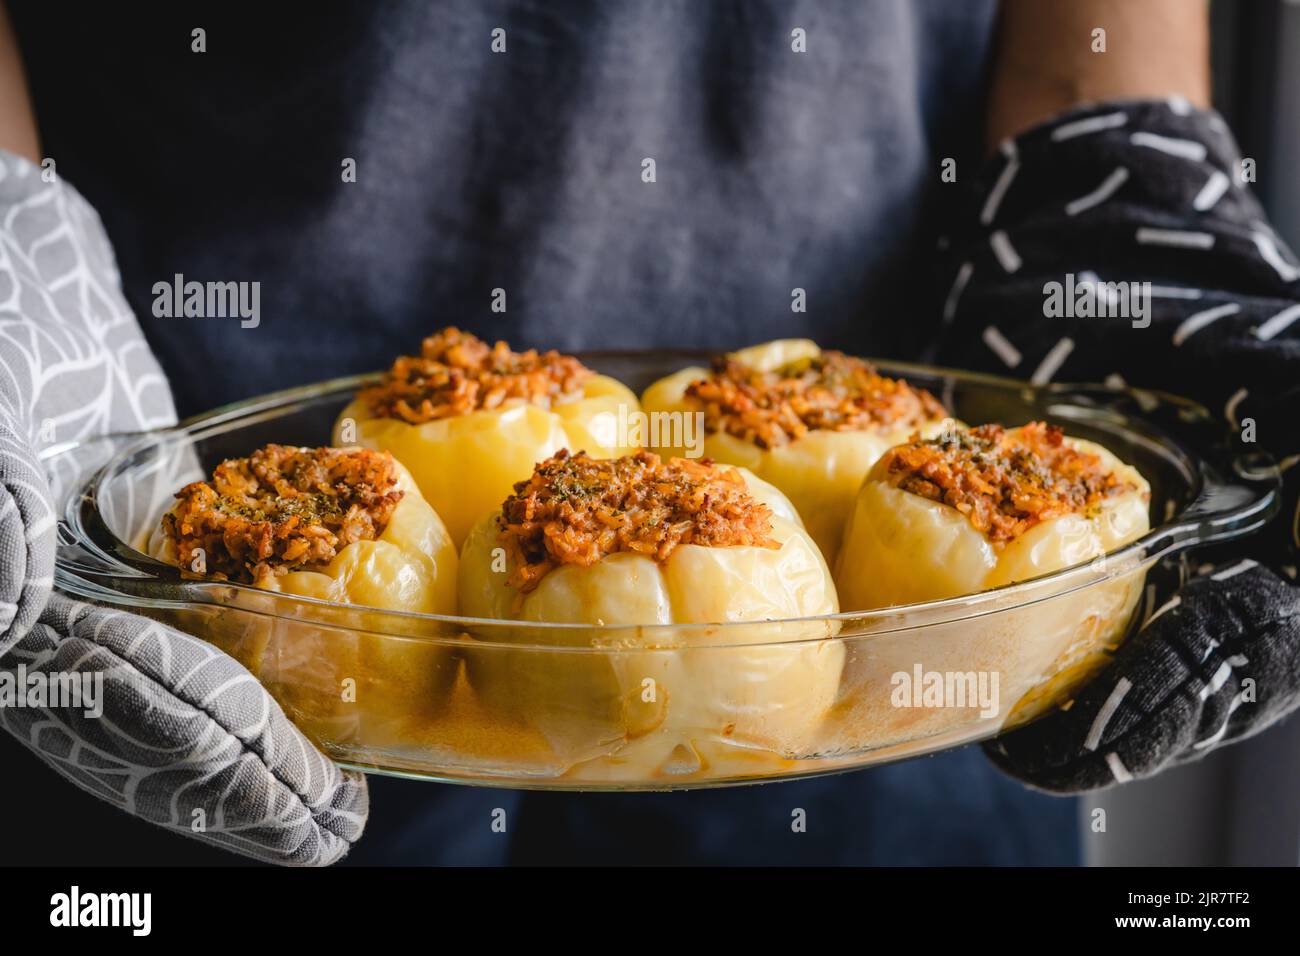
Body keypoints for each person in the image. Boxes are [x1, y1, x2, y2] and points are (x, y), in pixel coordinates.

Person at [0, 0, 1296, 865]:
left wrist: (1114, 198)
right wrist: (16, 259)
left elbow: (1091, 43)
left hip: (902, 688)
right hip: (185, 554)